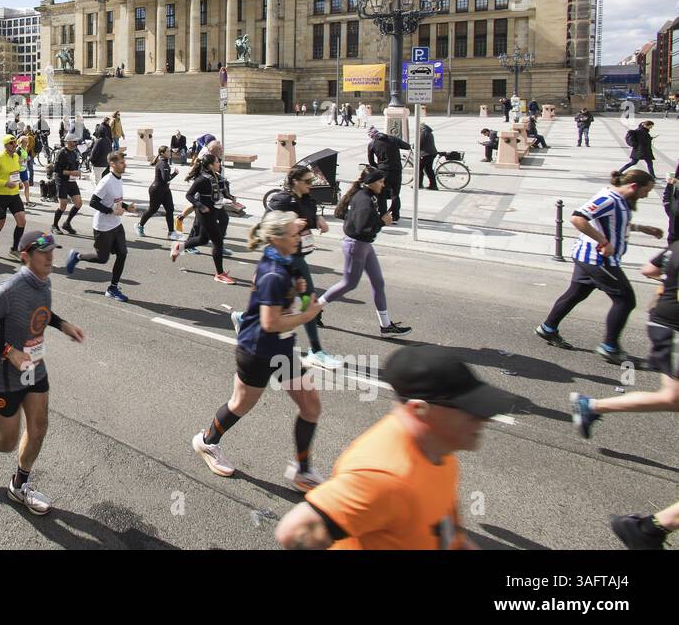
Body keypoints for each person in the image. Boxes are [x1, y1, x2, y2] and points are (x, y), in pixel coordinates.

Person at [275, 345, 516, 549]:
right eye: (468, 408)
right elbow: (295, 531)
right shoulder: (383, 477)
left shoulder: (441, 451)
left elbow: (447, 533)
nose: (484, 418)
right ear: (419, 409)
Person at [190, 210, 326, 488]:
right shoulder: (274, 273)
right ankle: (206, 442)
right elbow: (270, 322)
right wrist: (307, 314)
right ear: (277, 239)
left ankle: (303, 470)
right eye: (292, 234)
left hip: (282, 347)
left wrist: (300, 298)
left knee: (310, 405)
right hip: (258, 350)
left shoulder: (283, 259)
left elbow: (289, 306)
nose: (298, 237)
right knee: (241, 404)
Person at [0, 230, 85, 514]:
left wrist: (63, 325)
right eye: (44, 253)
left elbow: (41, 312)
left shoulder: (44, 282)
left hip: (34, 369)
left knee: (38, 429)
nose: (51, 257)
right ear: (26, 256)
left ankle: (18, 485)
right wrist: (9, 351)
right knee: (7, 442)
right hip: (3, 377)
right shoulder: (7, 290)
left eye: (53, 251)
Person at [569, 235, 679, 548]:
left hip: (664, 325)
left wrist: (667, 284)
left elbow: (648, 269)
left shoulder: (676, 246)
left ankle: (592, 406)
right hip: (673, 330)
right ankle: (650, 529)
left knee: (672, 398)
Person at [536, 169, 662, 363]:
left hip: (589, 258)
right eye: (646, 191)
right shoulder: (608, 198)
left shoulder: (619, 200)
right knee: (625, 300)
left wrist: (643, 228)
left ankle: (548, 328)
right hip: (597, 260)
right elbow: (578, 218)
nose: (645, 195)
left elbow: (614, 223)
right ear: (634, 186)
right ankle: (610, 347)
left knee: (576, 293)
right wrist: (603, 241)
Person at [267, 165, 341, 370]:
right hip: (282, 259)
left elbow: (309, 216)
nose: (311, 185)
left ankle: (244, 318)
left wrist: (318, 220)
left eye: (312, 181)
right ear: (295, 182)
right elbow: (267, 226)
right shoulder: (280, 200)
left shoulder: (308, 199)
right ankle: (316, 351)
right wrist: (289, 225)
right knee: (294, 302)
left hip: (298, 258)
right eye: (307, 181)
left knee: (304, 300)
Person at [319, 168, 410, 336]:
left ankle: (386, 326)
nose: (383, 185)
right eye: (380, 182)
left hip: (364, 245)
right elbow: (362, 228)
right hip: (356, 245)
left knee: (378, 282)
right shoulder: (364, 201)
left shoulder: (367, 194)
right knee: (349, 283)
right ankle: (314, 309)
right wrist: (382, 222)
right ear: (370, 183)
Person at [65, 150, 134, 301]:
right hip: (103, 227)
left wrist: (127, 207)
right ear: (112, 164)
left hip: (116, 225)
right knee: (102, 259)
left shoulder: (118, 178)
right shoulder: (106, 181)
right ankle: (77, 256)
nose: (125, 164)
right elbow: (93, 202)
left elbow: (116, 200)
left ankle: (113, 288)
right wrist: (111, 211)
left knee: (122, 253)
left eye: (124, 162)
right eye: (122, 162)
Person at [172, 154, 242, 284]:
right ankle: (219, 274)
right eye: (217, 161)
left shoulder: (218, 176)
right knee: (218, 242)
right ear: (210, 165)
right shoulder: (202, 180)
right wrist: (200, 205)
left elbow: (222, 191)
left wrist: (231, 197)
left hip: (216, 210)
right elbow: (189, 195)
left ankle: (179, 247)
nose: (219, 163)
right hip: (205, 213)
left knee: (202, 239)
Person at [0, 135, 28, 260]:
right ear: (5, 146)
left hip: (14, 195)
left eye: (15, 143)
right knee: (0, 223)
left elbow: (15, 173)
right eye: (11, 143)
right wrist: (5, 183)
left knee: (22, 221)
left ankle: (14, 250)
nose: (14, 145)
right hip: (0, 195)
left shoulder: (16, 157)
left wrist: (18, 182)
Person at [367, 126, 410, 222]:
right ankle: (395, 216)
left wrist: (378, 167)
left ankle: (383, 215)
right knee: (395, 194)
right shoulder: (393, 138)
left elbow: (371, 162)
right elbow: (407, 146)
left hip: (383, 171)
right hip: (396, 170)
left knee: (381, 194)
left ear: (371, 136)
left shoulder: (372, 144)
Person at [137, 146, 179, 240]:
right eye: (167, 151)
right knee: (152, 210)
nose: (169, 153)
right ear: (162, 153)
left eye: (169, 151)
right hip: (157, 190)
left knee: (170, 210)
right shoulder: (163, 164)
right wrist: (175, 173)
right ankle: (140, 225)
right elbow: (165, 179)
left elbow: (166, 180)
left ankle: (171, 232)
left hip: (165, 190)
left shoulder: (165, 163)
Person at [417, 124, 439, 190]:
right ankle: (433, 185)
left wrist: (415, 146)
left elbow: (420, 143)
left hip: (426, 154)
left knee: (419, 169)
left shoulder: (423, 133)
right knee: (429, 170)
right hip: (431, 153)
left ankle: (419, 184)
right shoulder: (429, 132)